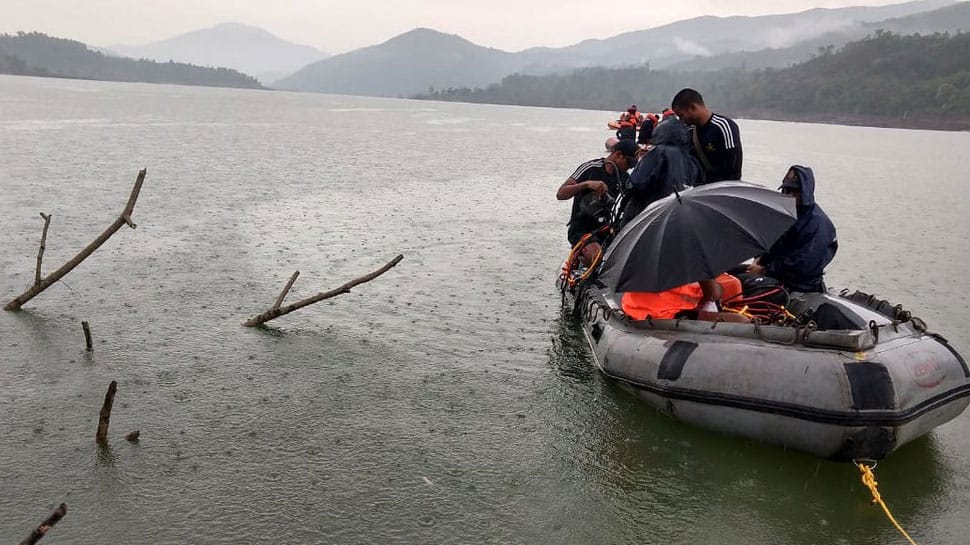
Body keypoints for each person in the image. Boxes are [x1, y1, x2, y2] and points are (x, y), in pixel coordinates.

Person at [747, 165, 838, 292]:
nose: (790, 195)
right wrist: (761, 259)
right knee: (733, 276)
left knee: (743, 288)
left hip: (799, 284)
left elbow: (804, 264)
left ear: (805, 192)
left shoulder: (818, 225)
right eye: (787, 190)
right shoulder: (786, 214)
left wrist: (765, 270)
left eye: (795, 191)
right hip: (774, 273)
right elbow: (774, 243)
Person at [557, 139, 639, 265]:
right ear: (618, 155)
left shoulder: (624, 178)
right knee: (595, 256)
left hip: (606, 228)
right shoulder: (590, 168)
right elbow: (561, 194)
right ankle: (580, 260)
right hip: (581, 229)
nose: (629, 167)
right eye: (628, 163)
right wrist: (585, 184)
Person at [618, 117, 704, 228]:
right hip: (680, 214)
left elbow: (638, 182)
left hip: (652, 211)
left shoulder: (657, 153)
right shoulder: (691, 159)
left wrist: (628, 185)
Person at [671, 88, 742, 184]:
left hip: (724, 188)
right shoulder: (689, 131)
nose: (681, 120)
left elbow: (734, 167)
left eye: (681, 115)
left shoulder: (724, 126)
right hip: (699, 188)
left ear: (693, 107)